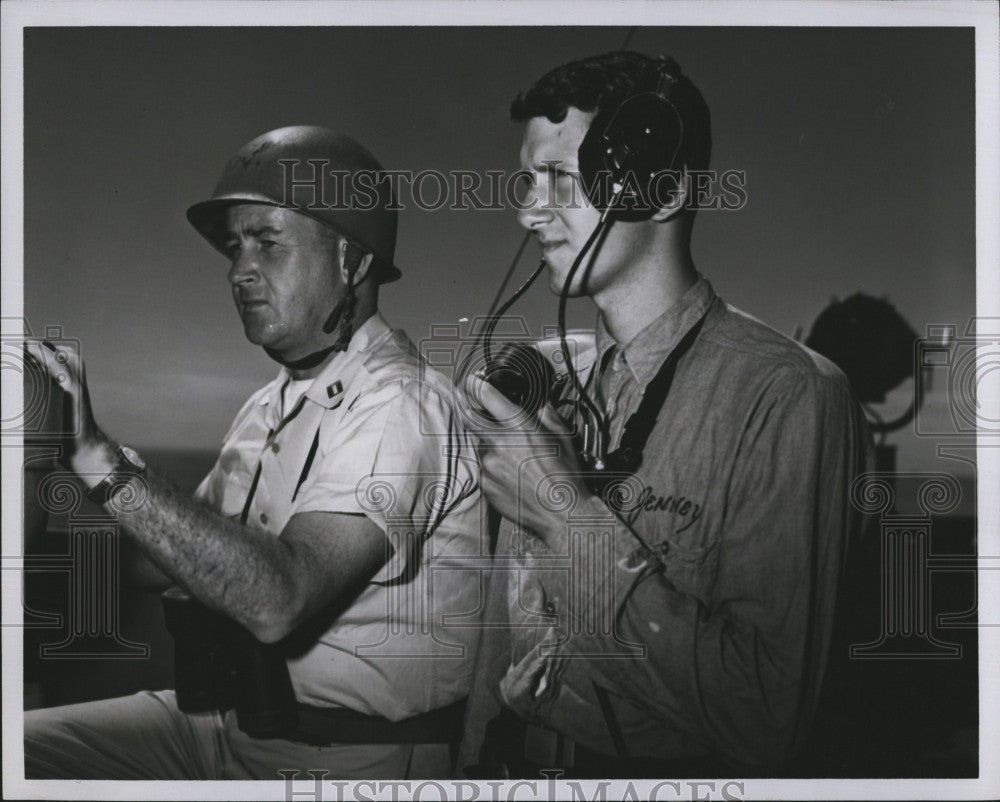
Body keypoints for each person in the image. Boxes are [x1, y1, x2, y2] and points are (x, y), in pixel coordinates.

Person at [24, 126, 485, 780]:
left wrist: (98, 458)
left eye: (268, 243)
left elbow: (279, 598)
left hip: (347, 760)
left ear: (353, 262)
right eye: (235, 248)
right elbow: (192, 554)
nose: (240, 270)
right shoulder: (269, 406)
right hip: (223, 726)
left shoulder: (402, 407)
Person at [459, 52, 874, 777]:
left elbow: (764, 713)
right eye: (528, 180)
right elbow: (504, 638)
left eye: (559, 179)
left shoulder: (789, 395)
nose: (527, 210)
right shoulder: (552, 374)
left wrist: (562, 514)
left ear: (662, 189)